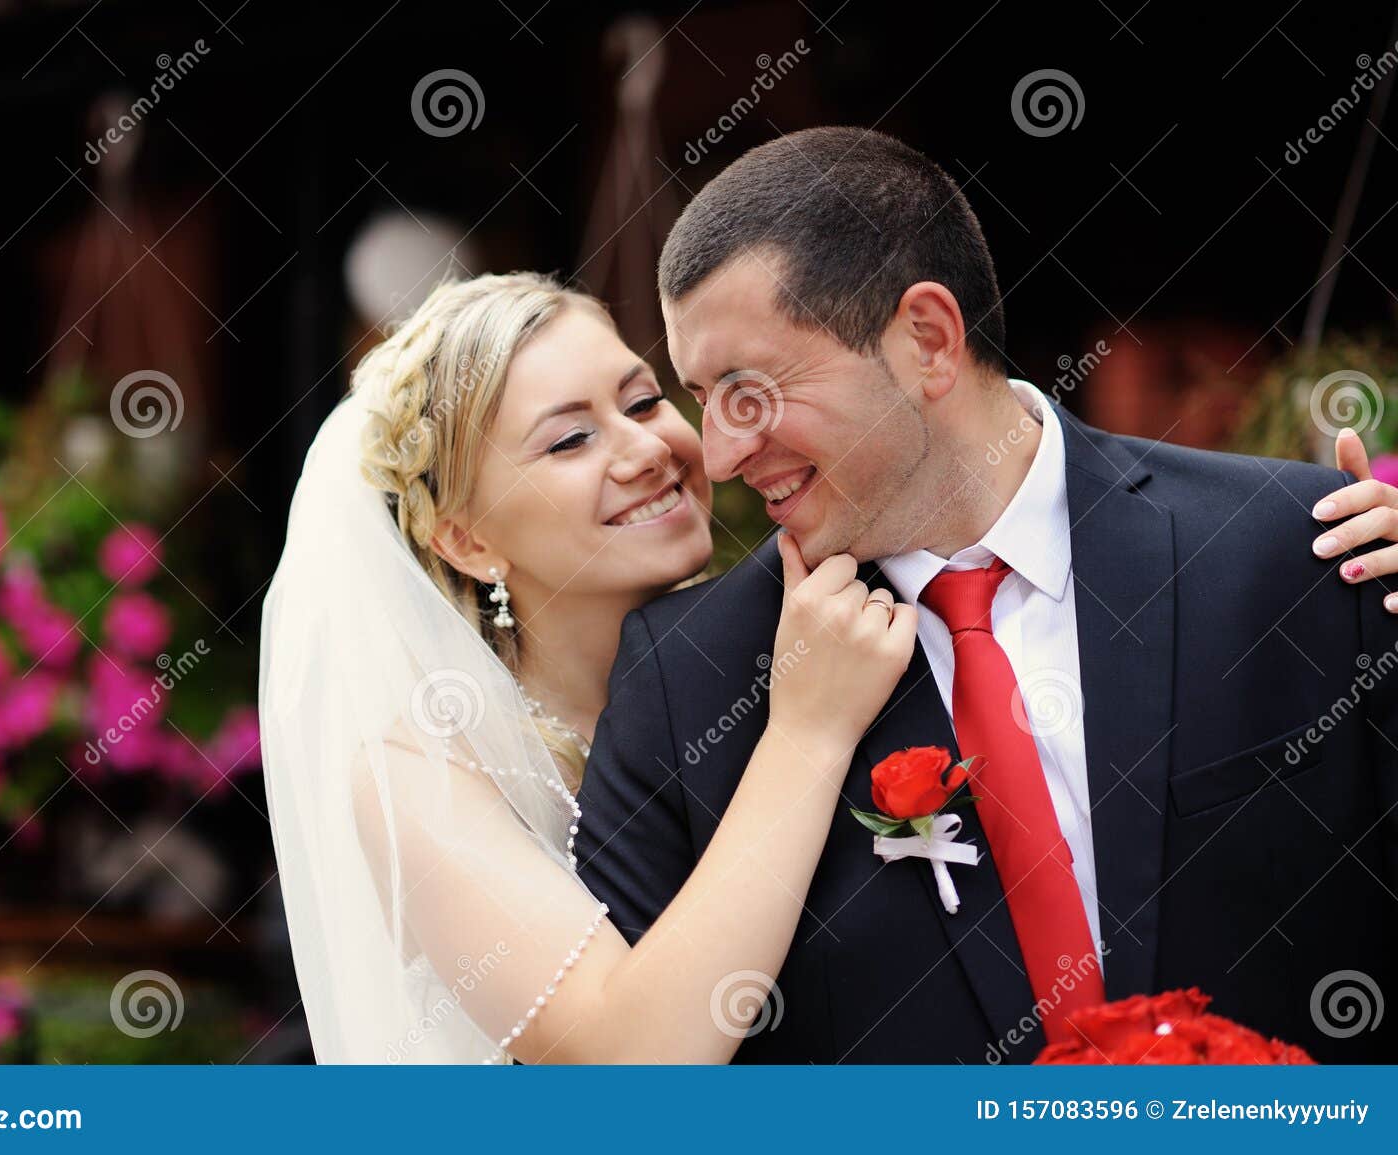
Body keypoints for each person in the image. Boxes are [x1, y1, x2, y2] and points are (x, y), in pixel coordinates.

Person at [574, 126, 1398, 1064]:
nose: (716, 453)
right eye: (699, 397)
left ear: (926, 339)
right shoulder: (688, 682)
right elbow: (614, 1093)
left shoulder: (1305, 552)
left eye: (749, 390)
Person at [259, 272, 918, 1063]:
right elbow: (624, 1061)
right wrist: (808, 734)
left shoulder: (808, 638)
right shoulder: (423, 772)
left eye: (643, 402)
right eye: (571, 439)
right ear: (466, 539)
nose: (648, 448)